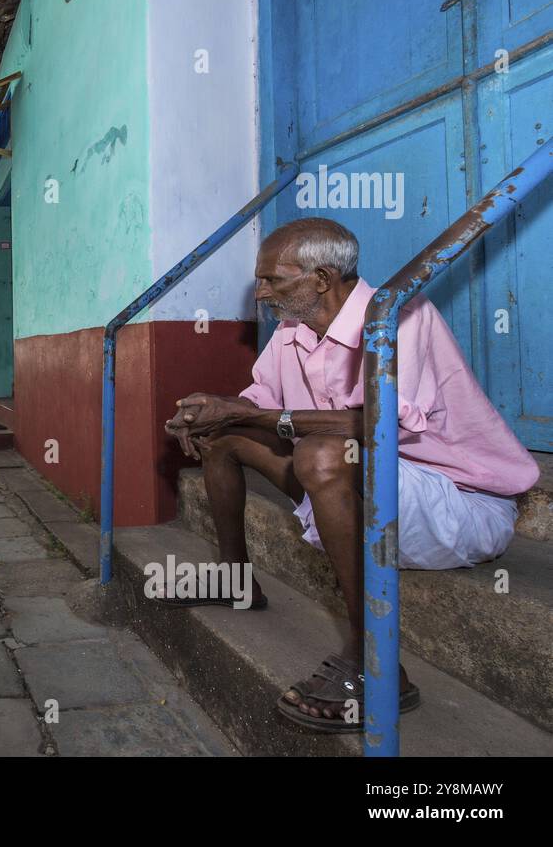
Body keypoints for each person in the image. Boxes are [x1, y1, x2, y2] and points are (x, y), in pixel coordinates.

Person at [163, 217, 538, 732]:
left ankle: (379, 668)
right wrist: (207, 413)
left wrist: (253, 416)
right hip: (368, 487)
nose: (262, 293)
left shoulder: (402, 315)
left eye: (273, 280)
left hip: (459, 502)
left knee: (322, 452)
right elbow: (255, 403)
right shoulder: (291, 333)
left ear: (320, 278)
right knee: (225, 437)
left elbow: (378, 423)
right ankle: (235, 581)